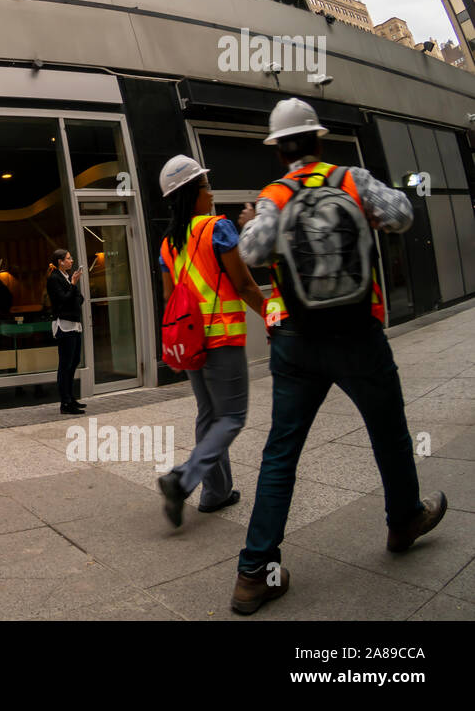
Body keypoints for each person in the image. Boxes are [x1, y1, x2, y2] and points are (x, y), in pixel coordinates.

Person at [230, 97, 446, 614]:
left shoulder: (274, 196)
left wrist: (251, 220)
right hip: (358, 337)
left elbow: (252, 254)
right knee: (390, 431)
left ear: (280, 149)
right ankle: (403, 521)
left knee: (281, 453)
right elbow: (402, 215)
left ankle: (254, 574)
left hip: (295, 345)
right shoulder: (354, 179)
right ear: (319, 140)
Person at [156, 155, 267, 528]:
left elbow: (171, 299)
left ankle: (216, 492)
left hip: (190, 343)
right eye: (205, 186)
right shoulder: (218, 229)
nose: (211, 192)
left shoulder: (168, 244)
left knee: (209, 414)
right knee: (232, 416)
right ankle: (183, 479)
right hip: (221, 337)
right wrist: (275, 316)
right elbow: (245, 284)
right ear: (193, 193)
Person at [46, 249, 85, 414]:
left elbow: (79, 299)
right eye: (69, 258)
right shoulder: (54, 279)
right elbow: (63, 300)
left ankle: (71, 397)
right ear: (60, 261)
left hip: (75, 323)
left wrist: (72, 287)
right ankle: (65, 403)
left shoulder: (67, 277)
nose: (72, 260)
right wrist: (74, 284)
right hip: (64, 325)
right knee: (65, 365)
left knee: (74, 362)